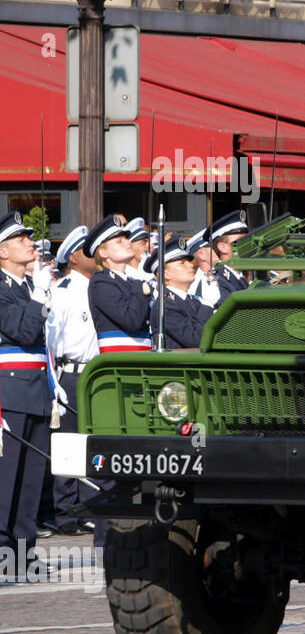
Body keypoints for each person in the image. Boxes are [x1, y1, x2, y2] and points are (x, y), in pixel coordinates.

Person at [45, 224, 106, 541]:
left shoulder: (98, 286)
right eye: (87, 249)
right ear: (72, 256)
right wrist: (54, 382)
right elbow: (51, 341)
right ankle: (66, 512)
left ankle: (90, 507)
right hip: (70, 373)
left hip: (95, 371)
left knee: (92, 442)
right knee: (69, 445)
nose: (94, 254)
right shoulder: (64, 291)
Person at [0, 212, 52, 565]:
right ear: (2, 251)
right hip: (9, 390)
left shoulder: (29, 286)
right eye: (20, 239)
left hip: (37, 389)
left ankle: (23, 552)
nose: (30, 244)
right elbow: (21, 331)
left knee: (32, 479)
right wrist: (40, 297)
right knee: (7, 479)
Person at [86, 216, 153, 353]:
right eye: (119, 241)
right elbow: (131, 321)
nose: (128, 243)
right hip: (119, 364)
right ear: (103, 253)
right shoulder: (101, 282)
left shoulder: (130, 281)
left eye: (127, 239)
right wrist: (140, 286)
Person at [148, 237, 215, 349]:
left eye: (189, 262)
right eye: (182, 263)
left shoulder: (195, 300)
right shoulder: (164, 306)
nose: (190, 265)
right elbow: (195, 340)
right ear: (166, 274)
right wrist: (208, 304)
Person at [210, 210, 250, 305]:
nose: (245, 246)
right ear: (222, 247)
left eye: (246, 241)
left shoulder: (241, 277)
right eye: (238, 242)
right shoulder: (217, 281)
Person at [186, 228, 220, 308]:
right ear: (202, 255)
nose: (218, 250)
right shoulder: (195, 282)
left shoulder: (224, 274)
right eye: (214, 248)